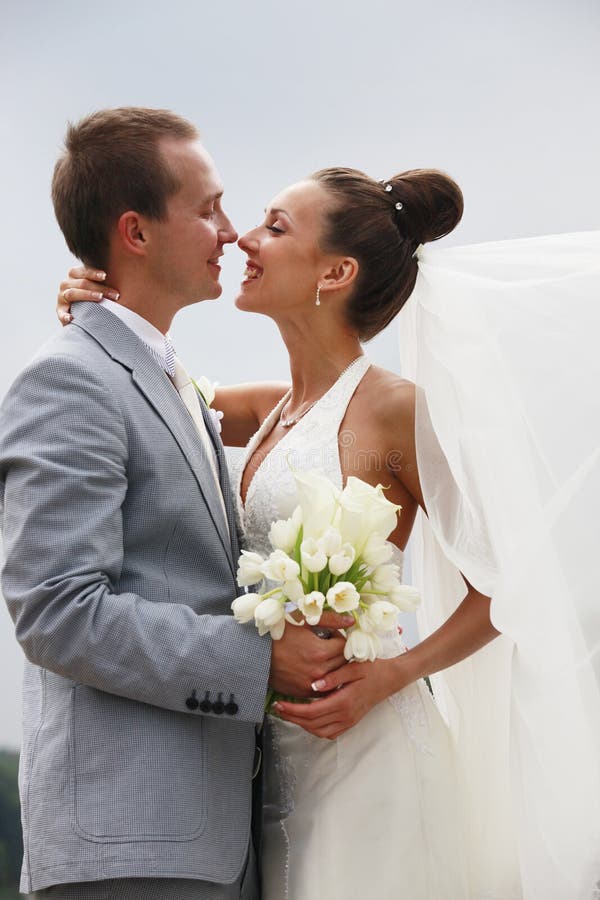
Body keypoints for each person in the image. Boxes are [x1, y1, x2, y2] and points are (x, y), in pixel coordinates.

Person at [57, 166, 520, 899]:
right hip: (270, 762)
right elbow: (149, 391)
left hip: (369, 755)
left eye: (275, 227)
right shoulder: (271, 407)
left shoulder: (397, 409)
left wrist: (394, 674)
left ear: (335, 272)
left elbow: (505, 584)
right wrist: (100, 309)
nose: (243, 237)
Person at [0, 108, 355, 900]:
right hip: (132, 848)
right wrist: (264, 661)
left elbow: (298, 411)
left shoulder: (167, 378)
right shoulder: (70, 379)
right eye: (208, 208)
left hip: (216, 840)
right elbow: (56, 610)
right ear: (135, 232)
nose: (230, 233)